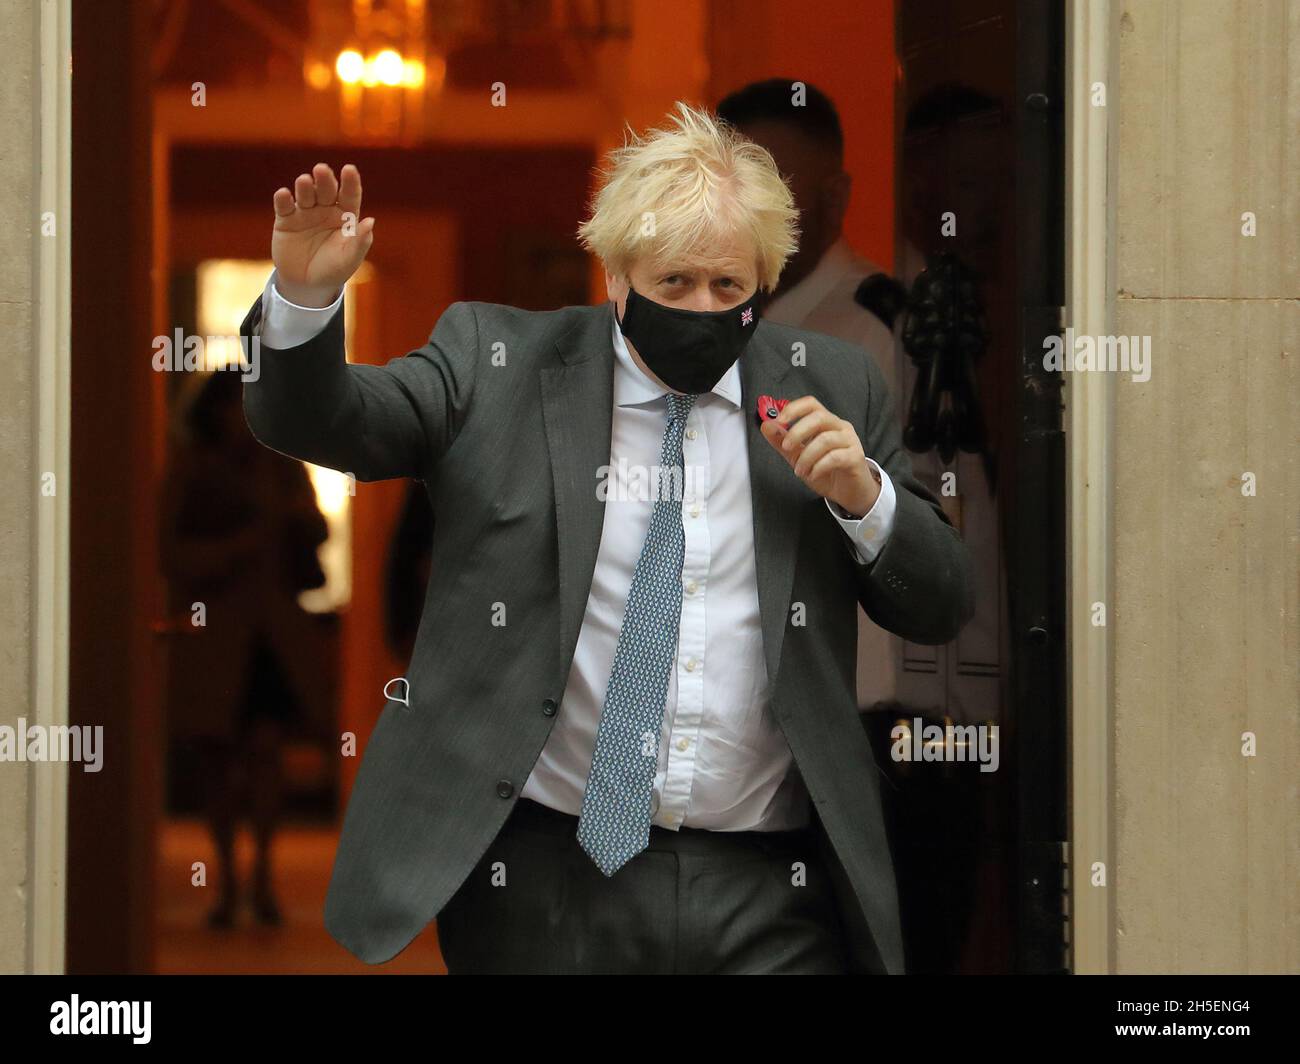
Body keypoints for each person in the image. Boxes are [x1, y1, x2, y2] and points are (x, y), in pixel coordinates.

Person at [239, 102, 974, 973]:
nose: (703, 307)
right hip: (551, 880)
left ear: (763, 285)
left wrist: (865, 497)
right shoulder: (494, 364)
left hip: (772, 884)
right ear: (617, 274)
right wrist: (305, 299)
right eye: (675, 283)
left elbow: (939, 602)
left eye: (729, 288)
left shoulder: (836, 385)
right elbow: (322, 420)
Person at [717, 78, 908, 716]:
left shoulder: (875, 329)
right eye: (732, 189)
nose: (749, 214)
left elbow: (902, 527)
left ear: (835, 200)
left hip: (849, 699)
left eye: (778, 192)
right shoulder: (707, 327)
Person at [160, 369, 330, 928]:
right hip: (218, 636)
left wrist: (292, 521)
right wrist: (239, 546)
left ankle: (258, 878)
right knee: (220, 759)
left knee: (263, 755)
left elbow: (316, 532)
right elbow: (173, 554)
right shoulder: (193, 474)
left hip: (271, 635)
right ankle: (229, 879)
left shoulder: (281, 466)